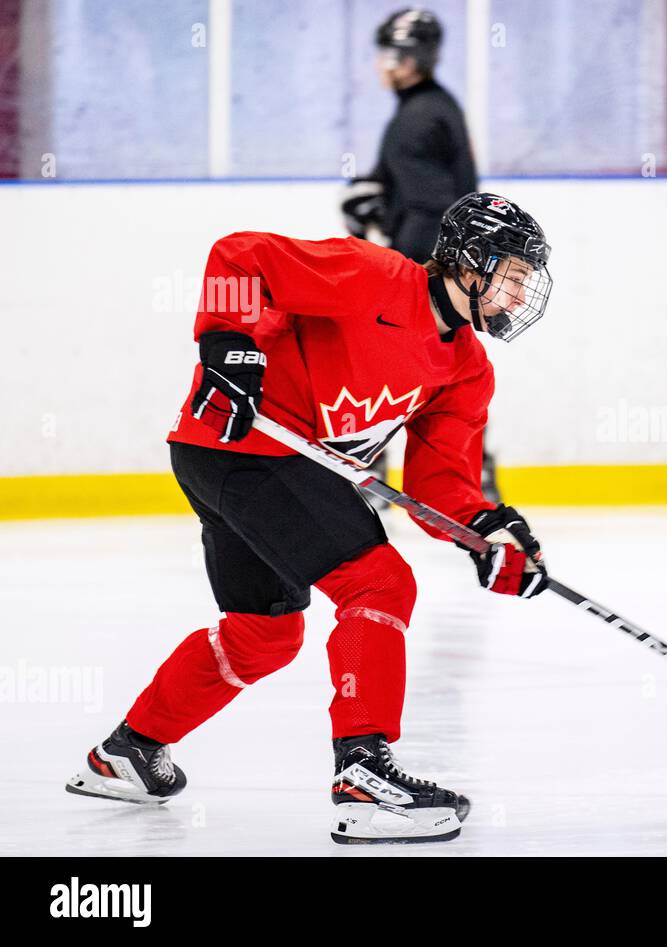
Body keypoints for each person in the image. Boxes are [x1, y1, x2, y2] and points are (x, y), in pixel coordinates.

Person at [67, 193, 554, 845]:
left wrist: (487, 532)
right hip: (243, 444)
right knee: (379, 583)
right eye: (512, 275)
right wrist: (230, 345)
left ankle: (128, 752)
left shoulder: (466, 368)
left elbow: (442, 482)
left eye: (526, 281)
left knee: (263, 635)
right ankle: (364, 773)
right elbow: (242, 255)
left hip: (238, 462)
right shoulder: (373, 276)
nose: (518, 295)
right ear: (470, 263)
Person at [340, 8, 502, 501]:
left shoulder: (418, 117)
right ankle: (475, 476)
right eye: (386, 53)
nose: (388, 65)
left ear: (421, 59)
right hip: (449, 268)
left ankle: (378, 474)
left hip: (428, 268)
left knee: (399, 365)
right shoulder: (432, 108)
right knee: (440, 368)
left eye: (400, 55)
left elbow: (432, 208)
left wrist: (385, 227)